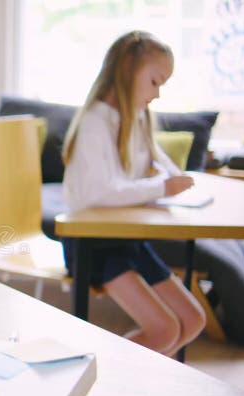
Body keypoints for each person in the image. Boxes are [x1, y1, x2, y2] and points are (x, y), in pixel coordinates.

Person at [61, 31, 206, 356]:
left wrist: (175, 177)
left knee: (192, 319)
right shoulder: (95, 124)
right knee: (165, 328)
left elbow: (155, 157)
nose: (156, 94)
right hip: (93, 242)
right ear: (128, 68)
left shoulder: (136, 117)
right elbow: (100, 193)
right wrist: (161, 187)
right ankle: (104, 383)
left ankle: (138, 377)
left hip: (126, 237)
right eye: (155, 82)